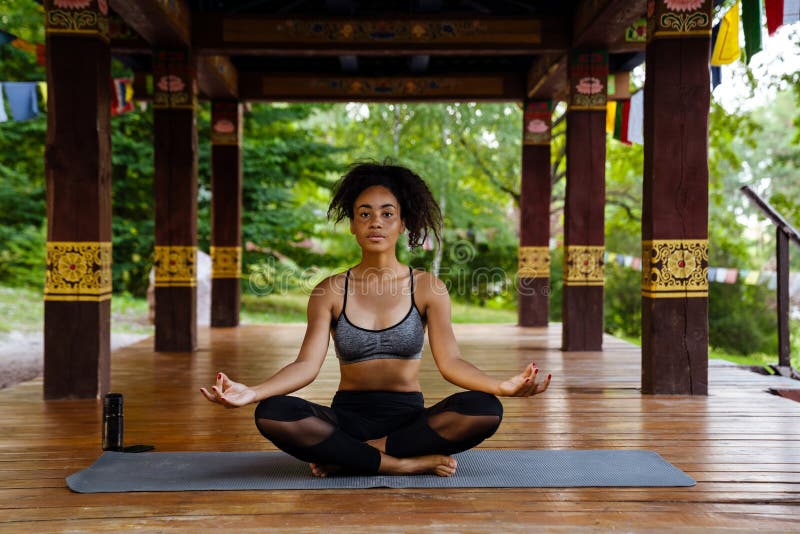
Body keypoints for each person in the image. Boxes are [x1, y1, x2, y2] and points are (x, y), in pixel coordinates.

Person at [201, 162, 551, 477]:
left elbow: (452, 362)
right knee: (272, 412)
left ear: (403, 223)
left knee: (484, 408)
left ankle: (354, 457)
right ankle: (400, 463)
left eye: (387, 214)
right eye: (364, 214)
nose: (376, 223)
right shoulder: (330, 291)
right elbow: (306, 366)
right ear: (352, 224)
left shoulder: (428, 288)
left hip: (410, 420)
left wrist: (500, 387)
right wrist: (252, 392)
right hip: (346, 418)